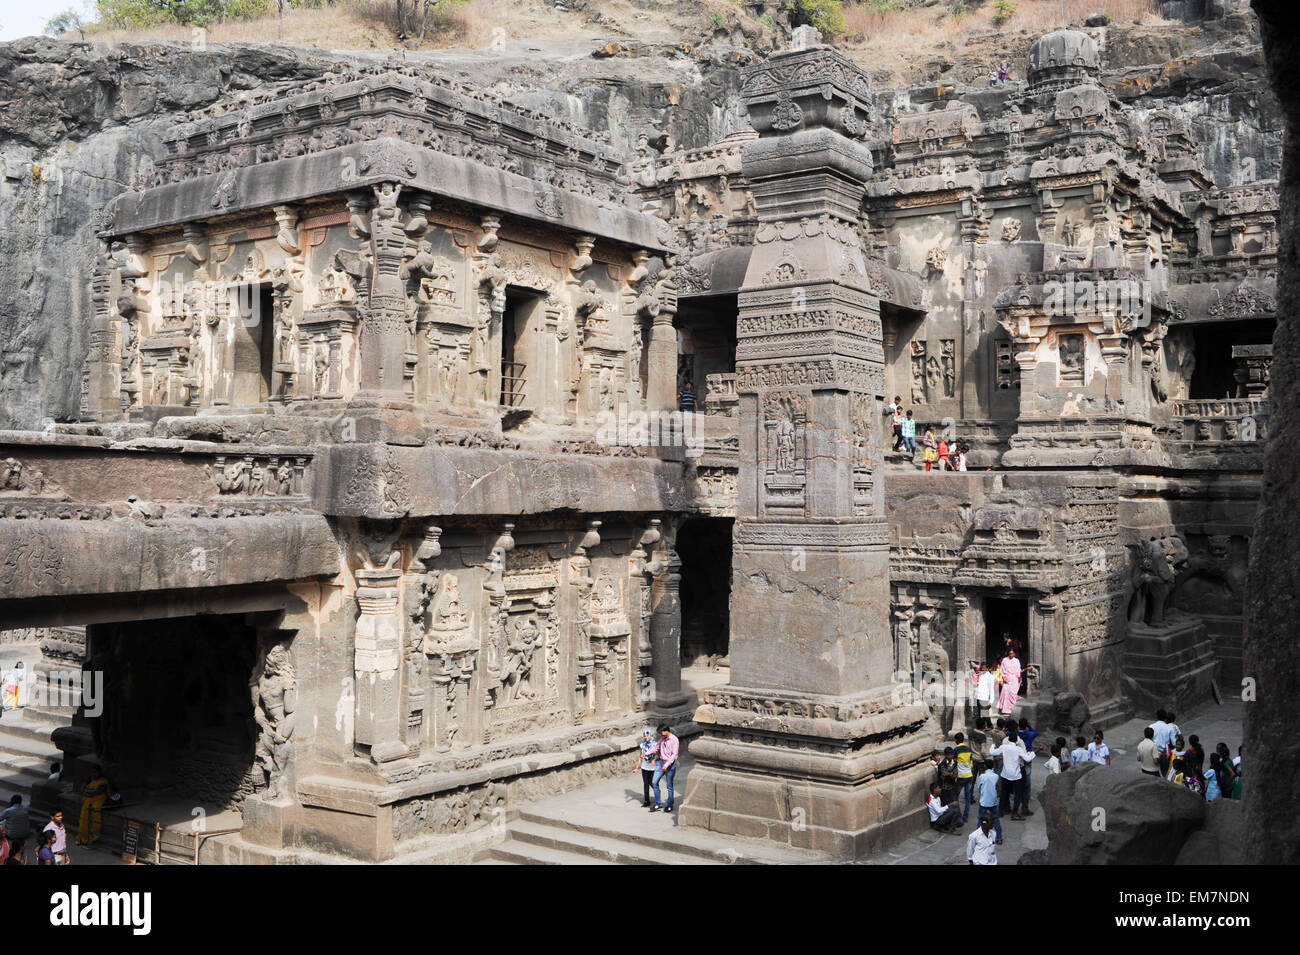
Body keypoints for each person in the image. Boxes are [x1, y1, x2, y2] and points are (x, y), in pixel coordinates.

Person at [991, 728, 1034, 819]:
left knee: (1004, 793)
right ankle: (1014, 813)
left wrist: (992, 745)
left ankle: (1000, 811)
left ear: (1009, 739)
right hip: (1016, 775)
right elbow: (1027, 759)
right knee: (1017, 794)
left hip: (1005, 774)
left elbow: (992, 752)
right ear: (1016, 740)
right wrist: (1032, 753)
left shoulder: (1004, 747)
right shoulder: (1018, 749)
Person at [78, 764, 111, 846]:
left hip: (97, 803)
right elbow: (82, 788)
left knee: (95, 819)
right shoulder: (89, 779)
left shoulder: (103, 782)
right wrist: (85, 791)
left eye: (96, 772)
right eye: (92, 772)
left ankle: (93, 838)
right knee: (83, 820)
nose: (94, 774)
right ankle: (82, 838)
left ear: (99, 772)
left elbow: (96, 792)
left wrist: (87, 792)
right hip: (87, 803)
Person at [649, 724, 678, 813]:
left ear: (666, 731)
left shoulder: (674, 740)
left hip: (669, 765)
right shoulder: (662, 739)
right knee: (654, 782)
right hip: (660, 763)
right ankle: (658, 803)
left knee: (669, 786)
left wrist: (666, 765)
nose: (660, 735)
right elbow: (656, 748)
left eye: (661, 733)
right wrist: (646, 753)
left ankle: (669, 805)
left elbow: (674, 755)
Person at [976, 761, 1002, 844]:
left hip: (984, 800)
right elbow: (997, 787)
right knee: (996, 819)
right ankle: (999, 838)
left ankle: (978, 837)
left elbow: (978, 787)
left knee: (980, 819)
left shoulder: (982, 776)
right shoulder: (996, 776)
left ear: (985, 766)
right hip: (993, 801)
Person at [0, 794, 30, 864]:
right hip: (24, 833)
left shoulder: (8, 810)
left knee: (2, 823)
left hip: (12, 835)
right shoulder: (25, 809)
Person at [954, 732, 976, 823]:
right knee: (967, 798)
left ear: (956, 740)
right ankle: (965, 817)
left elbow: (954, 763)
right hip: (969, 775)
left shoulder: (956, 750)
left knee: (956, 796)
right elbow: (971, 763)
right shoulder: (968, 749)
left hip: (961, 776)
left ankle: (959, 816)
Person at [632, 728, 658, 808]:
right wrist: (637, 768)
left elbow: (658, 755)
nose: (645, 737)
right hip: (644, 767)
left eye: (647, 735)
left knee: (653, 783)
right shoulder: (642, 745)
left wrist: (654, 760)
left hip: (653, 767)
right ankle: (647, 801)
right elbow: (640, 757)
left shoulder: (655, 744)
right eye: (644, 736)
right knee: (646, 784)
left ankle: (658, 798)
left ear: (650, 735)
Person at [997, 648, 1021, 715]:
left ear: (1014, 654)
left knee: (1013, 694)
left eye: (1012, 653)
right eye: (1009, 653)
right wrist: (1003, 677)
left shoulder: (1017, 661)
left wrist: (1018, 678)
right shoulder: (1005, 660)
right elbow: (1002, 669)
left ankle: (1012, 710)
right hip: (1007, 678)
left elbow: (1018, 670)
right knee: (1006, 694)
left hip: (1014, 680)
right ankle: (1005, 710)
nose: (1011, 655)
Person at [1150, 710, 1172, 775]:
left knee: (1153, 773)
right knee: (1165, 773)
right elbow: (1172, 742)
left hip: (1154, 753)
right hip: (1165, 753)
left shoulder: (1151, 727)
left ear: (1157, 716)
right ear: (1165, 717)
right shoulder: (1169, 728)